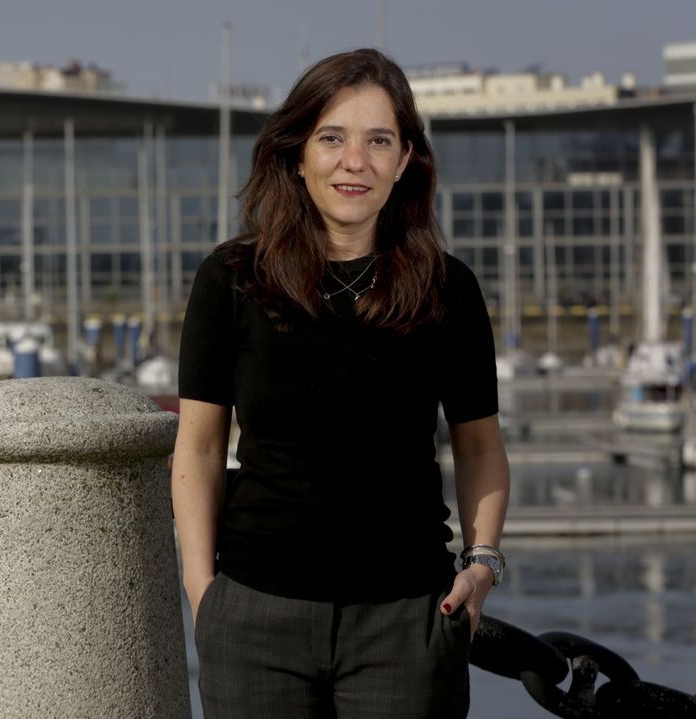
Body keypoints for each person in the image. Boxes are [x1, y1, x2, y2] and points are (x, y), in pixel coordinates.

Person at [172, 48, 510, 719]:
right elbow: (201, 448)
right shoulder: (231, 280)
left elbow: (478, 447)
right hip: (253, 618)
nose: (354, 161)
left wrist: (483, 563)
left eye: (378, 140)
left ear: (405, 159)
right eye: (332, 138)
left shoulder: (448, 290)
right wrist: (202, 587)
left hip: (407, 621)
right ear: (297, 155)